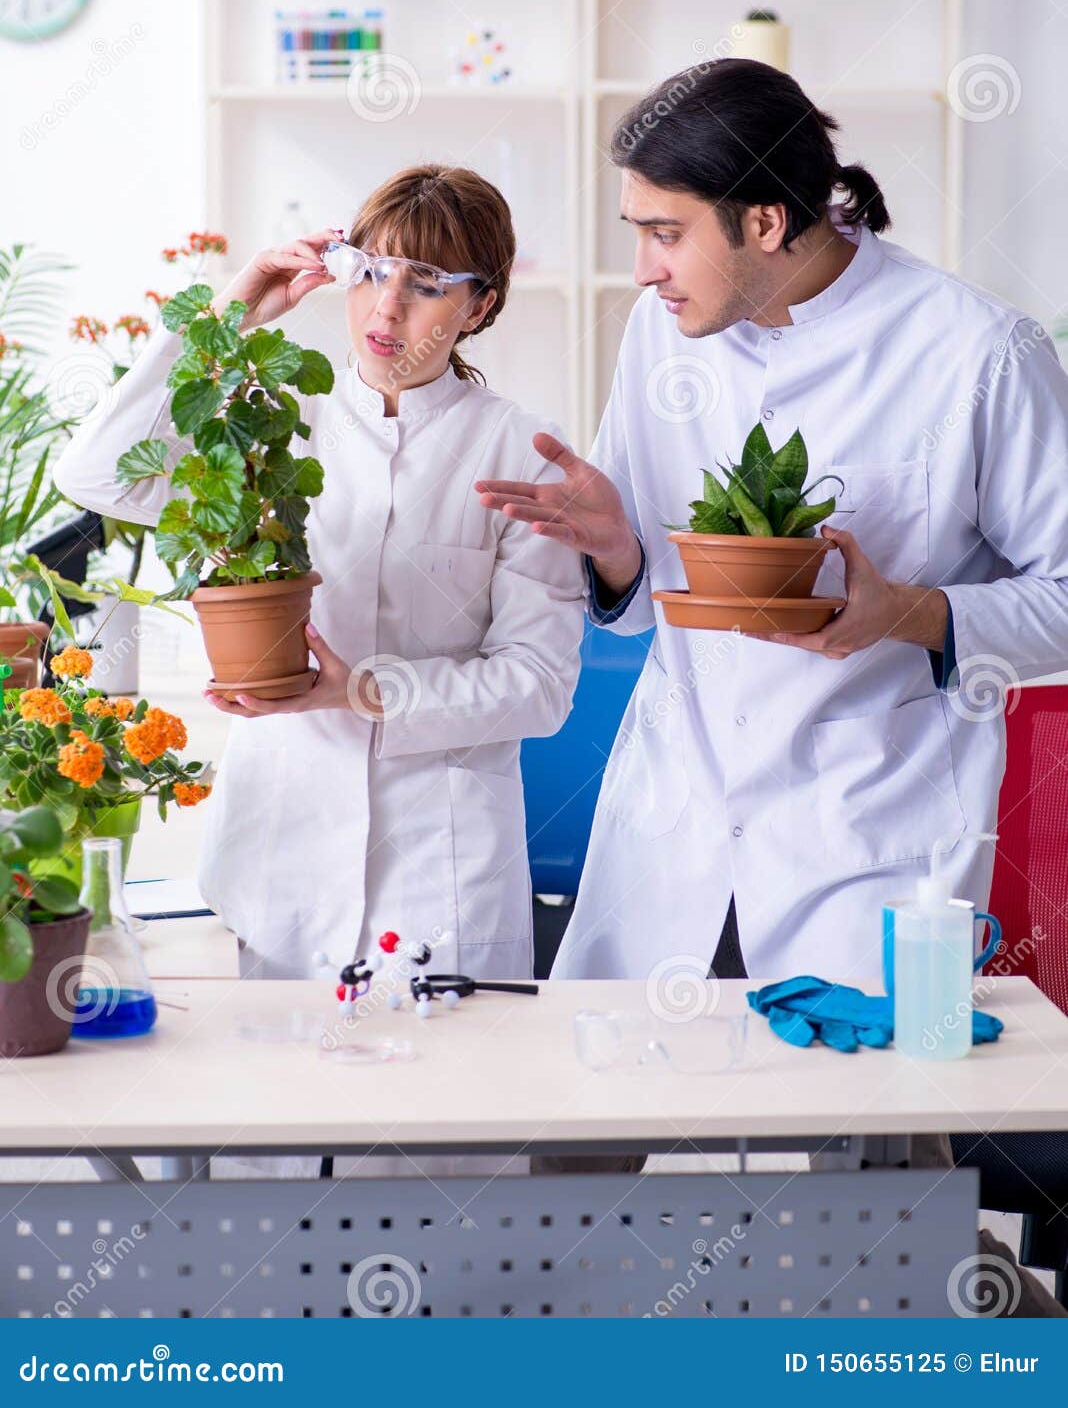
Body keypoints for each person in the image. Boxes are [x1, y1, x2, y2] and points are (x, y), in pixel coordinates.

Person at [476, 57, 1068, 987]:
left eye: (667, 234)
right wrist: (618, 549)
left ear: (764, 220)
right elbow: (643, 606)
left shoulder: (980, 353)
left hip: (867, 839)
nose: (644, 271)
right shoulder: (661, 333)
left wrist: (911, 613)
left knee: (877, 1125)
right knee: (591, 1114)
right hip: (675, 825)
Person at [53, 164, 585, 989]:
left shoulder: (522, 452)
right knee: (280, 1111)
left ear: (479, 306)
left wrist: (362, 689)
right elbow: (97, 476)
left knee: (449, 1108)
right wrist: (232, 308)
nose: (387, 306)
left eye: (427, 284)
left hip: (441, 879)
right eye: (371, 269)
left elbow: (540, 685)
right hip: (280, 862)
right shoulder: (274, 420)